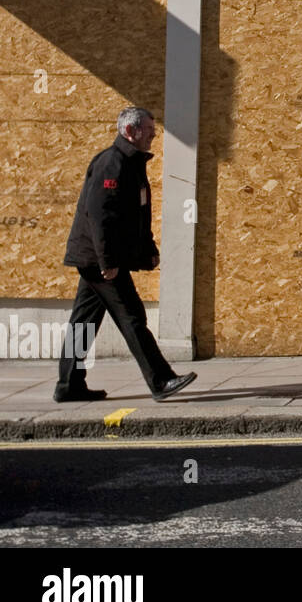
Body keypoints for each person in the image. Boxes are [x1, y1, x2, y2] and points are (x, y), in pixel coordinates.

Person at [55, 106, 197, 402]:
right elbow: (99, 217)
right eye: (149, 130)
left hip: (100, 259)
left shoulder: (130, 163)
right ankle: (161, 380)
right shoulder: (112, 164)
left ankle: (69, 385)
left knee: (83, 322)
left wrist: (149, 251)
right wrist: (107, 262)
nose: (154, 135)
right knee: (132, 317)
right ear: (130, 131)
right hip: (99, 260)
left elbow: (138, 214)